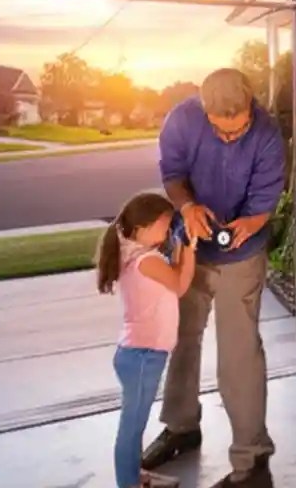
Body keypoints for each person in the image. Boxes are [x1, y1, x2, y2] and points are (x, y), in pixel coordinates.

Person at [143, 68, 286, 487]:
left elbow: (265, 200)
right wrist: (187, 208)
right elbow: (172, 174)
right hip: (190, 247)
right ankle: (181, 428)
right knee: (182, 337)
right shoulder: (182, 119)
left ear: (250, 109)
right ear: (204, 111)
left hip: (243, 254)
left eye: (237, 130)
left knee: (239, 355)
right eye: (221, 131)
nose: (229, 138)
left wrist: (250, 222)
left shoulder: (266, 134)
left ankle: (252, 463)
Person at [97, 191, 197, 488]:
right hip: (143, 356)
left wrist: (180, 245)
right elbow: (179, 284)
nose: (167, 233)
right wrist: (189, 247)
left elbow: (173, 273)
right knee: (131, 428)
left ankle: (135, 477)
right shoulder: (147, 260)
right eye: (165, 227)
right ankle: (129, 484)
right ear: (143, 225)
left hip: (137, 354)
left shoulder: (136, 255)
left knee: (134, 425)